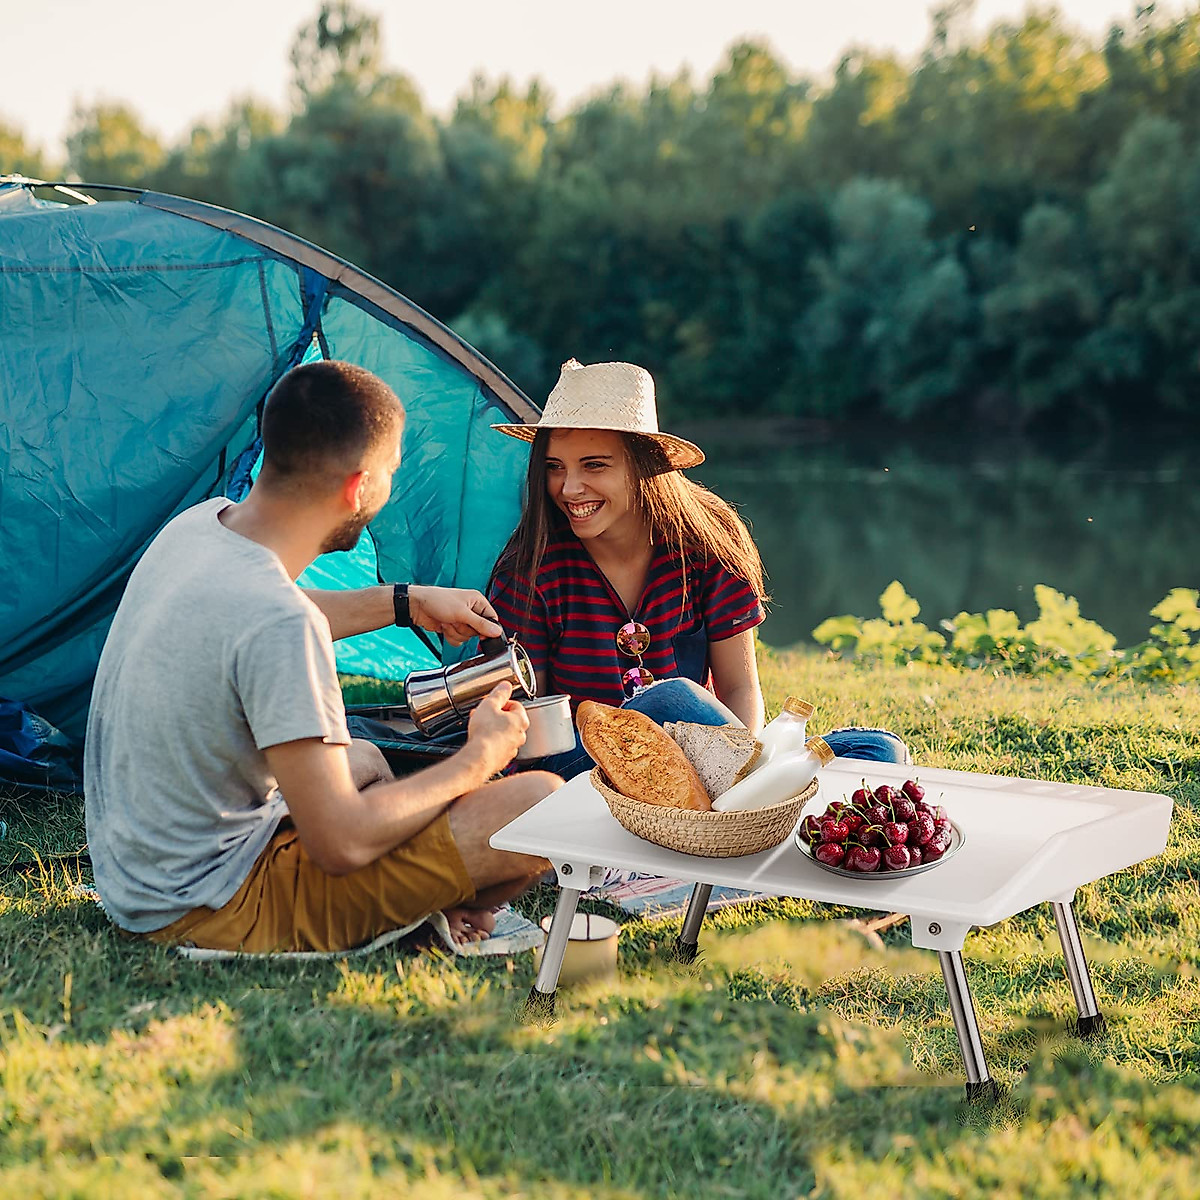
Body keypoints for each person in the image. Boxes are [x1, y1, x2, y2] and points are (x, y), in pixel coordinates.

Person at [84, 360, 558, 954]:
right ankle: (420, 917)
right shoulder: (281, 623)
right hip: (213, 905)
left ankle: (424, 905)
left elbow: (254, 617)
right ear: (358, 488)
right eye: (389, 473)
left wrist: (403, 602)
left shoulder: (199, 528)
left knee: (361, 758)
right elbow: (341, 843)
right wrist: (479, 755)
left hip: (141, 875)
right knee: (538, 804)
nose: (388, 489)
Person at [487, 359, 909, 779]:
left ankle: (746, 788)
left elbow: (740, 688)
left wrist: (735, 759)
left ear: (645, 464)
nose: (569, 488)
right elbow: (528, 726)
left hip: (695, 755)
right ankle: (761, 789)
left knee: (878, 749)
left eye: (594, 465)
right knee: (672, 700)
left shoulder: (708, 540)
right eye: (554, 467)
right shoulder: (531, 567)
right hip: (584, 768)